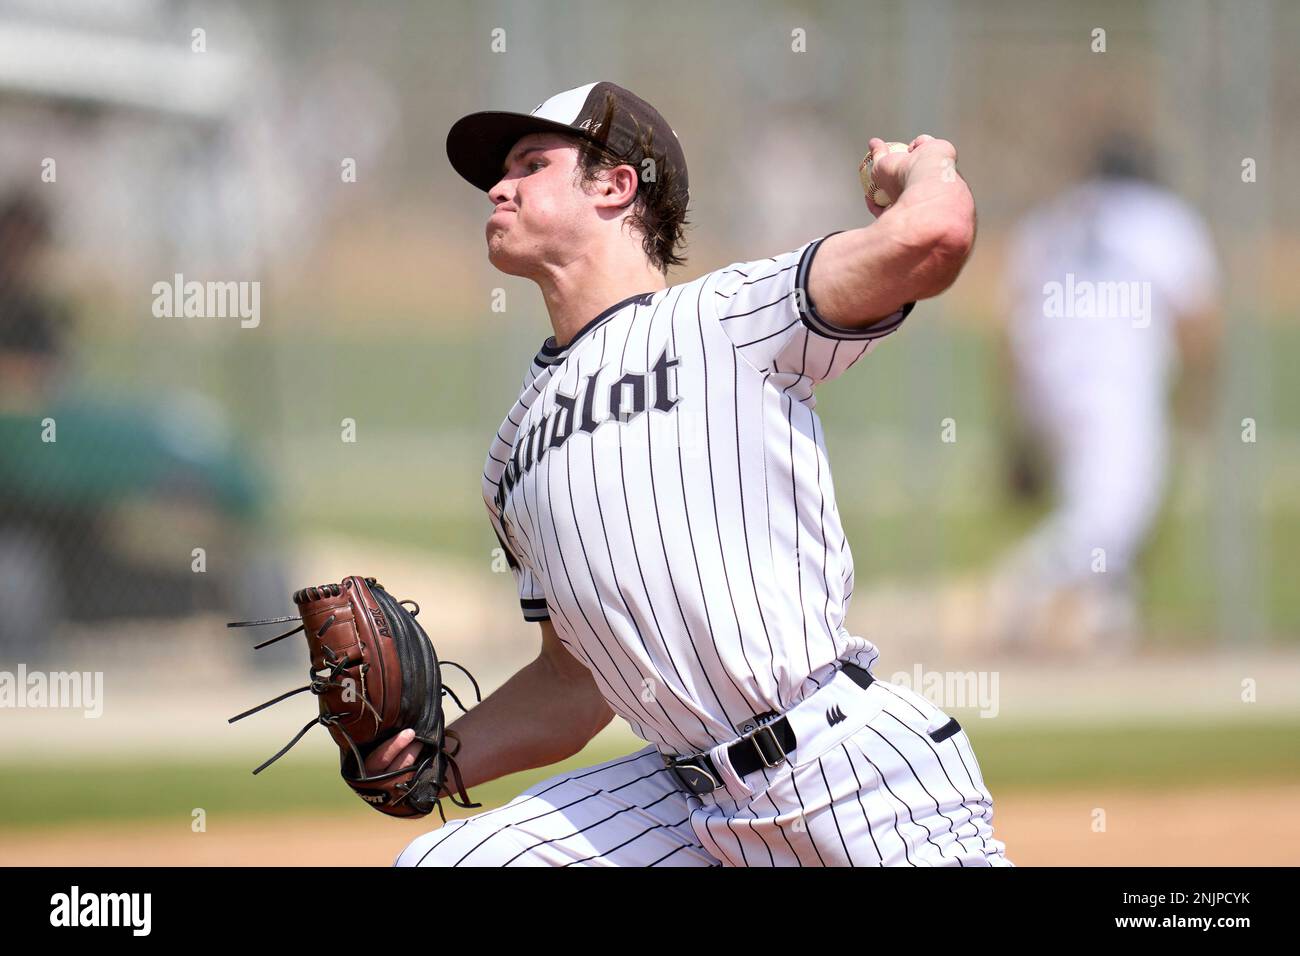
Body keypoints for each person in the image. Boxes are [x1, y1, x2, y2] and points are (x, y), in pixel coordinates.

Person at [380, 81, 1008, 866]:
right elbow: (573, 685)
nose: (498, 187)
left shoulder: (730, 316)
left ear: (615, 185)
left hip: (847, 769)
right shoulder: (512, 451)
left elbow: (936, 235)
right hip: (686, 802)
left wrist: (927, 165)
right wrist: (431, 763)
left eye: (532, 163)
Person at [992, 135, 1222, 656]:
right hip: (1116, 381)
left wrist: (1018, 426)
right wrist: (1196, 402)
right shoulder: (1163, 218)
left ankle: (1107, 624)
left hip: (1046, 380)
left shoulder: (1054, 219)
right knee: (1115, 514)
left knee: (1095, 500)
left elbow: (1008, 323)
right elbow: (1201, 318)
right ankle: (1014, 592)